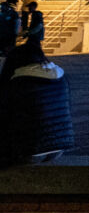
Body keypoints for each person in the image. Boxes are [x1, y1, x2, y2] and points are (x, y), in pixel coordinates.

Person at [0, 35, 75, 164]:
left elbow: (6, 116)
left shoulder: (20, 82)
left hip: (30, 150)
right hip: (59, 147)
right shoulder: (60, 77)